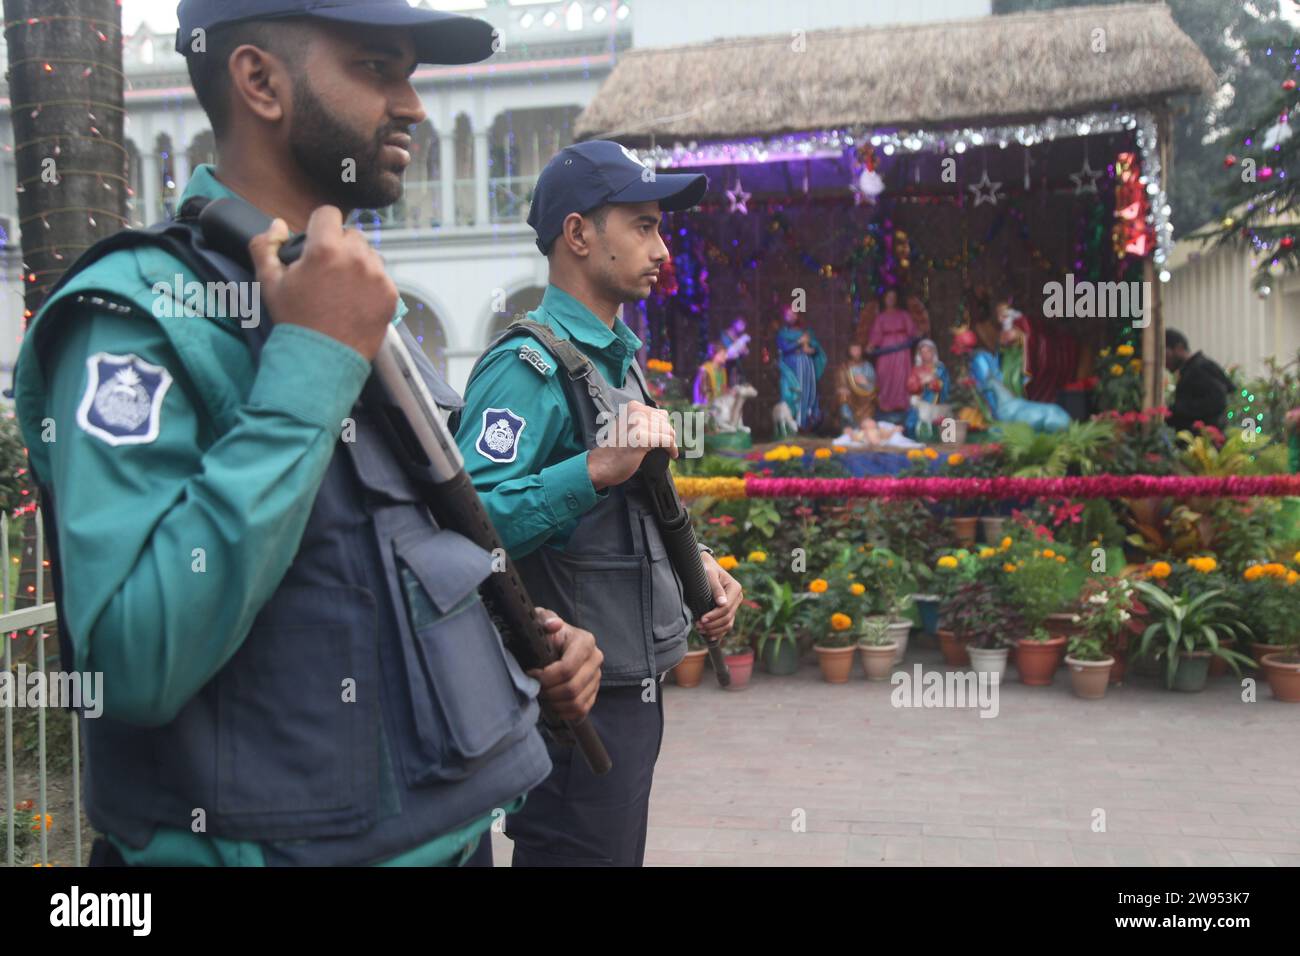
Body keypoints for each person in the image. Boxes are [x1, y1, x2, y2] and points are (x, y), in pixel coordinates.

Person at [12, 0, 603, 867]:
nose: (412, 105)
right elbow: (129, 665)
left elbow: (377, 560)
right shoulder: (137, 314)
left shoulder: (345, 292)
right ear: (258, 79)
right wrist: (311, 364)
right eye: (375, 67)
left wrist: (523, 647)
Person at [454, 140, 743, 866]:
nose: (661, 247)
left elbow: (627, 513)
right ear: (579, 234)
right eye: (642, 225)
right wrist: (595, 467)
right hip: (574, 701)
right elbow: (466, 527)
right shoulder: (526, 367)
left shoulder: (618, 359)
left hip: (627, 689)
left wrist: (699, 569)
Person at [860, 289, 926, 424]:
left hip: (902, 351)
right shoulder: (880, 317)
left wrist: (917, 334)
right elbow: (876, 335)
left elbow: (912, 331)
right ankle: (885, 405)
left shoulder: (904, 315)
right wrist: (871, 345)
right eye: (888, 297)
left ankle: (901, 404)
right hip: (886, 349)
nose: (891, 299)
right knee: (884, 376)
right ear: (884, 299)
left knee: (901, 376)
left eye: (893, 297)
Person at [1164, 328, 1231, 434]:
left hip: (1205, 441)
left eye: (1165, 353)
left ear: (1179, 348)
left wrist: (1173, 411)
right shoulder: (1194, 368)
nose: (1163, 361)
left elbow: (1217, 399)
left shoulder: (1198, 369)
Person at [776, 305, 827, 431]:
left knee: (809, 392)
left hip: (807, 366)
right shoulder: (782, 333)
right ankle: (792, 424)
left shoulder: (806, 330)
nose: (792, 316)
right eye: (788, 314)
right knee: (793, 392)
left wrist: (812, 349)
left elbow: (815, 346)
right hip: (792, 367)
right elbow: (784, 348)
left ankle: (806, 423)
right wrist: (798, 342)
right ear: (784, 316)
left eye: (794, 313)